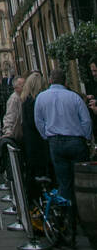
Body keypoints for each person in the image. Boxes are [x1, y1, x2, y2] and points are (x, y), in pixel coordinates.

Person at [34, 67, 93, 223]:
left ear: (51, 80)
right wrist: (85, 138)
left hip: (55, 143)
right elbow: (86, 121)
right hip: (76, 141)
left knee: (63, 181)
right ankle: (83, 215)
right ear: (65, 81)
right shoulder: (74, 97)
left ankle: (67, 218)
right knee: (81, 181)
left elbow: (38, 121)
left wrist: (47, 136)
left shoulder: (41, 97)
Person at [20, 70, 50, 203]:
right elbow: (37, 124)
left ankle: (34, 202)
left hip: (30, 143)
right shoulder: (35, 102)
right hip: (39, 143)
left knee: (34, 172)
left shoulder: (26, 101)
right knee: (42, 172)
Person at [1, 76, 25, 143]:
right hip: (18, 135)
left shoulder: (22, 97)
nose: (25, 87)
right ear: (16, 88)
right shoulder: (14, 99)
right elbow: (10, 116)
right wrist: (8, 132)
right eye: (23, 85)